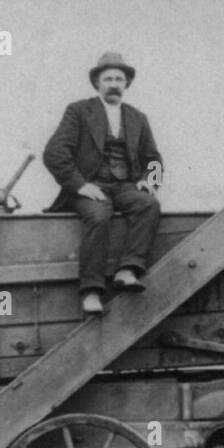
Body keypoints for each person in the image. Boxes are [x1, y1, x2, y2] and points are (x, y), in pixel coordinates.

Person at [42, 51, 163, 316]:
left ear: (126, 83)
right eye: (108, 79)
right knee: (98, 215)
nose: (114, 84)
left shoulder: (137, 117)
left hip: (124, 186)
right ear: (97, 83)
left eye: (119, 79)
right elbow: (54, 152)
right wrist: (80, 185)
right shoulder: (79, 111)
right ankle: (92, 291)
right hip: (91, 185)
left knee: (149, 205)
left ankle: (127, 270)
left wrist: (148, 181)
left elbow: (153, 159)